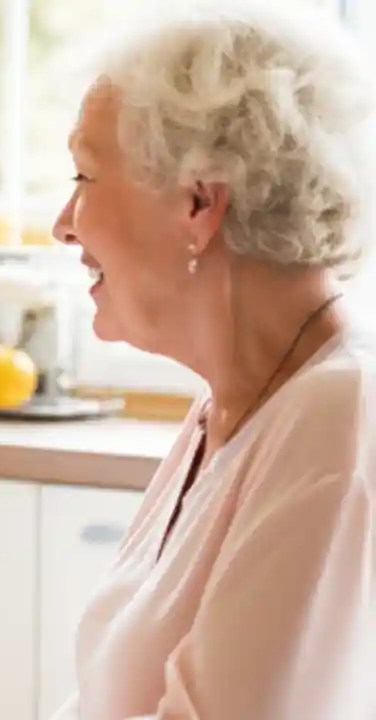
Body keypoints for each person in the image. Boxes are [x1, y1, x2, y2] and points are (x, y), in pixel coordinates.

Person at [50, 2, 376, 718]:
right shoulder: (234, 403)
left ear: (198, 202)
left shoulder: (337, 419)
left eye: (83, 178)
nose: (62, 224)